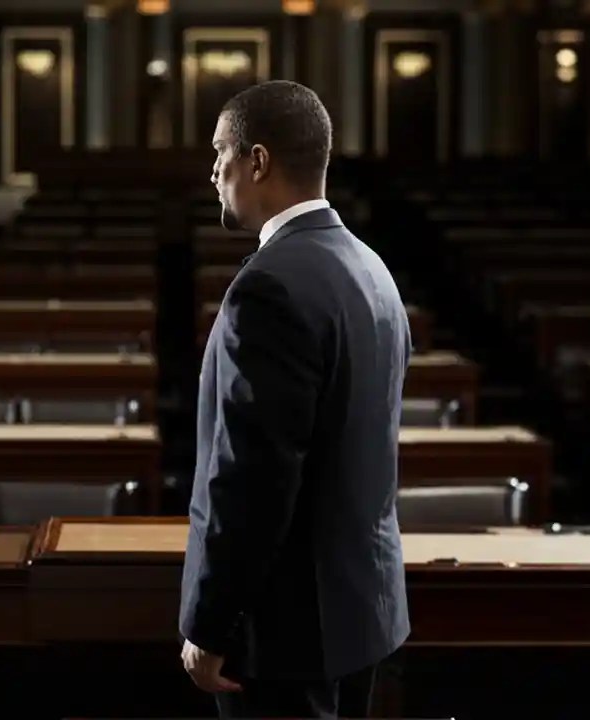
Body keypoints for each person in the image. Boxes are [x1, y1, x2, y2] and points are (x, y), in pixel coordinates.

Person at [179, 80, 412, 719]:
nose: (212, 171)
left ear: (257, 161)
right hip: (361, 614)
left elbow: (253, 480)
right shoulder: (372, 268)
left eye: (220, 153)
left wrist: (211, 623)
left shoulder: (269, 289)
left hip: (285, 633)